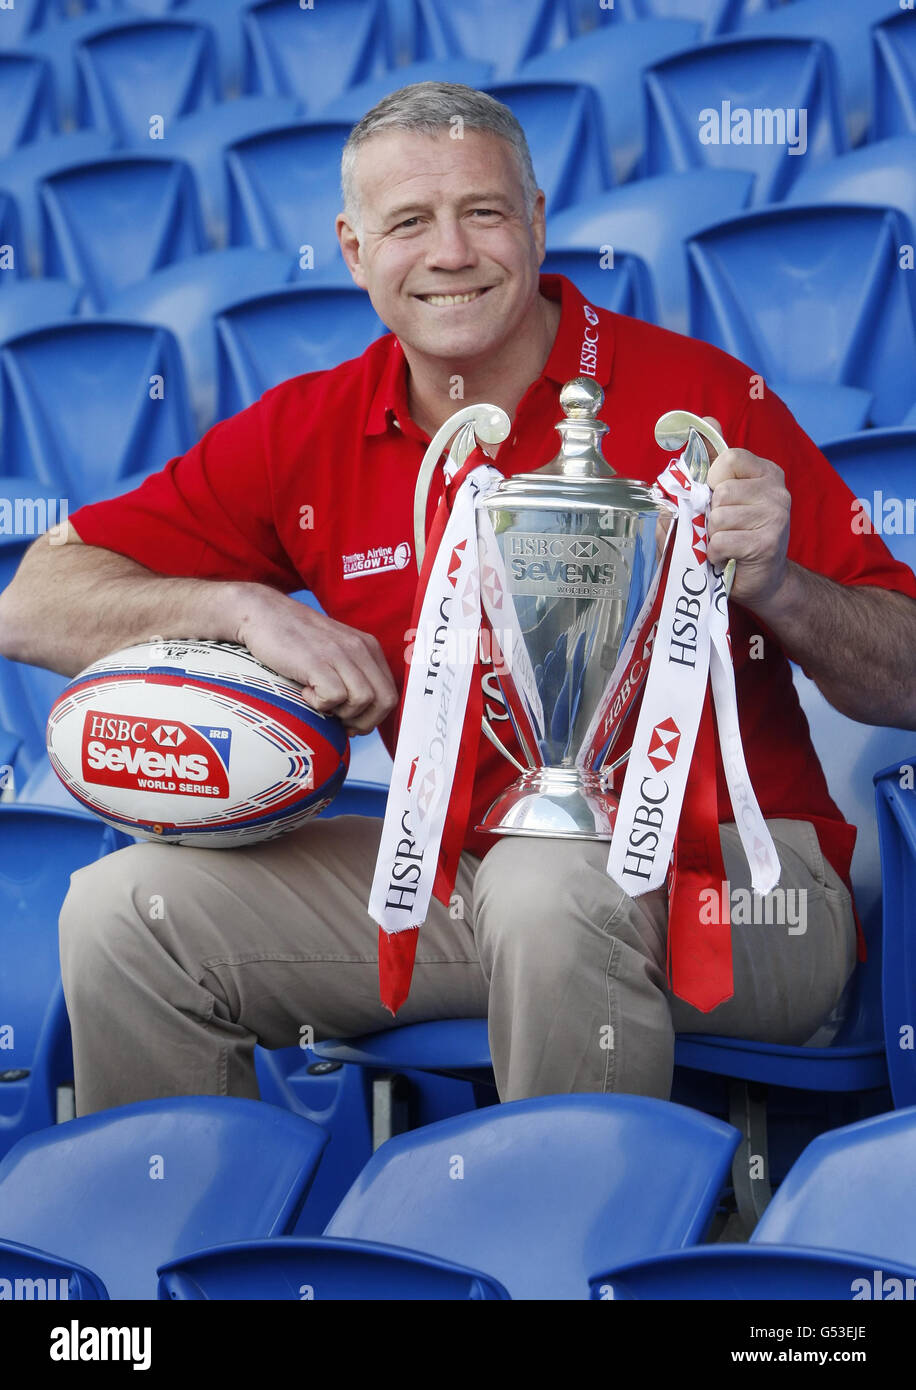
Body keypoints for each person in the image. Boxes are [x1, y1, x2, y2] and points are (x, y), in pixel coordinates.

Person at [1, 83, 914, 1117]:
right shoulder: (310, 428)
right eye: (407, 223)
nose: (450, 253)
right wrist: (244, 611)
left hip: (750, 892)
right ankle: (179, 1251)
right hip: (461, 874)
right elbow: (31, 603)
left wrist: (781, 586)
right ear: (352, 250)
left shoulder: (699, 398)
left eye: (482, 212)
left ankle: (570, 1254)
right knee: (128, 912)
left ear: (533, 220)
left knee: (545, 889)